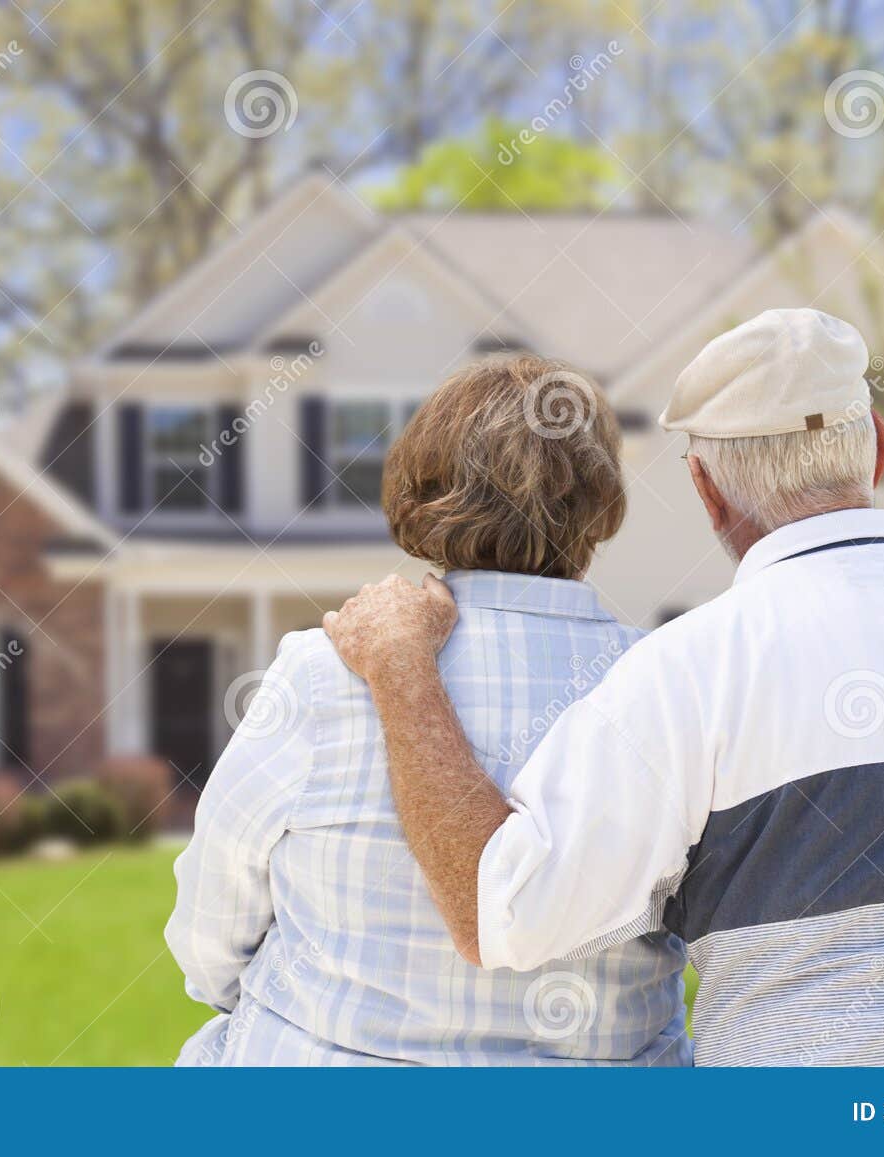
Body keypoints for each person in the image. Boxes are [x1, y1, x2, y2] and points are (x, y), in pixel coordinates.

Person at [323, 308, 884, 1066]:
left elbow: (497, 911)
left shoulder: (685, 672)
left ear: (704, 489)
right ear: (876, 448)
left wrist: (402, 668)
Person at [165, 354, 691, 1065]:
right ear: (601, 506)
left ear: (420, 490)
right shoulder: (669, 686)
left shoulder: (323, 673)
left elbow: (212, 920)